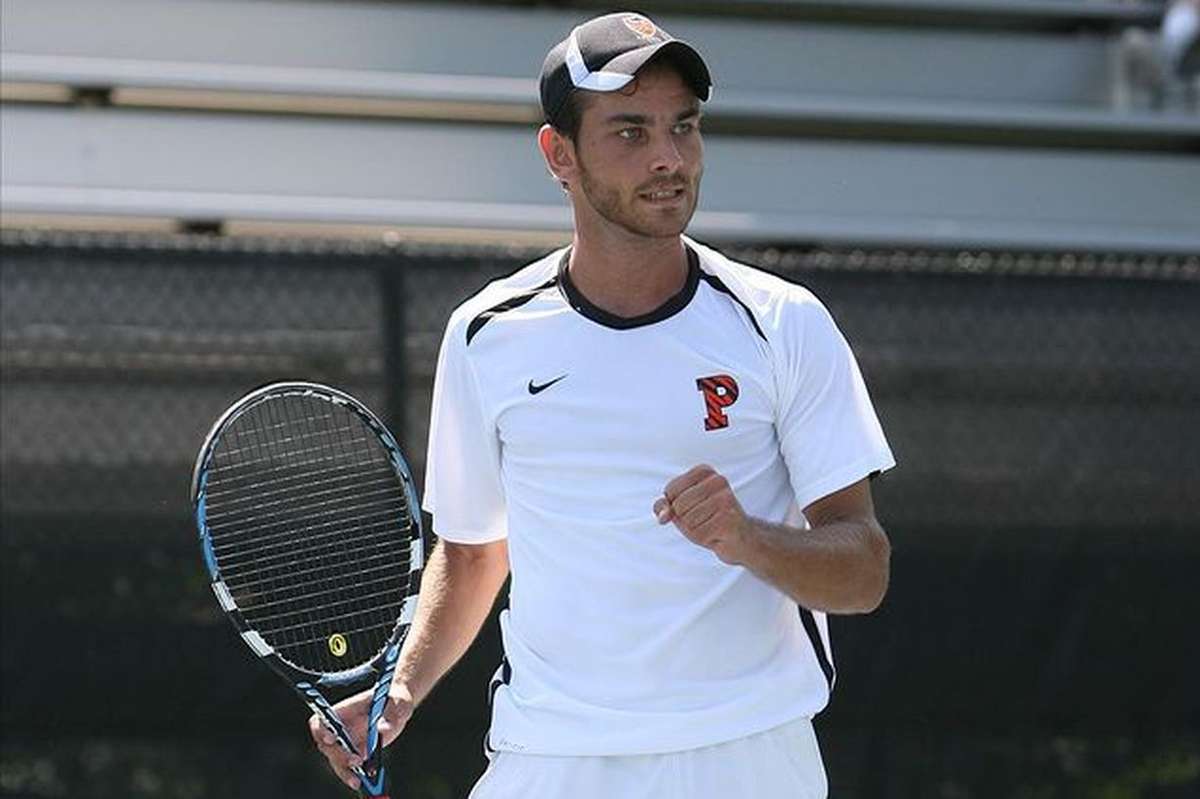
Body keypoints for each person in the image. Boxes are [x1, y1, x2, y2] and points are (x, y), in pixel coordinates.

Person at [310, 12, 896, 798]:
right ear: (560, 156)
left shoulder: (784, 322)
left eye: (682, 127)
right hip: (550, 759)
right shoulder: (486, 336)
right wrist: (403, 688)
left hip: (745, 758)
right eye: (630, 132)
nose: (668, 158)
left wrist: (747, 537)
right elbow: (477, 550)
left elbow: (863, 570)